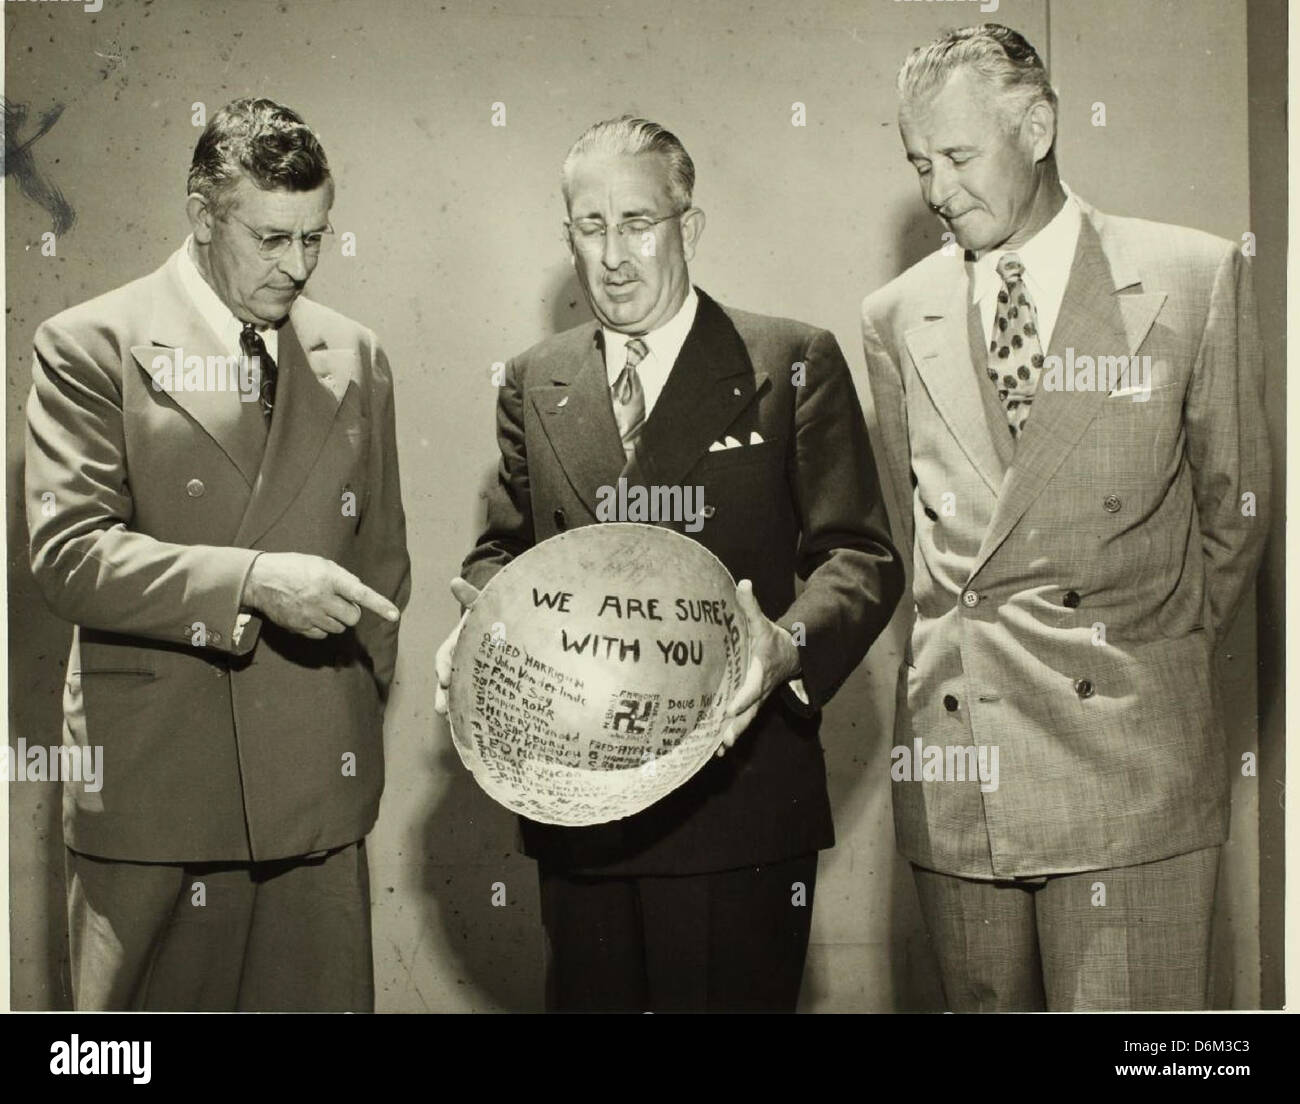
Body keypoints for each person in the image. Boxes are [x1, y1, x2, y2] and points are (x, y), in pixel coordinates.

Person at [435, 116, 902, 1013]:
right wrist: (482, 622)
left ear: (689, 227)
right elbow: (507, 547)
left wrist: (787, 646)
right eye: (590, 226)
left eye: (638, 223)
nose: (613, 255)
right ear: (567, 235)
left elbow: (859, 554)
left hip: (737, 804)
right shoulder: (535, 378)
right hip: (581, 806)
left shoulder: (790, 361)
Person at [861, 24, 1270, 1011]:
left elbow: (1237, 510)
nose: (936, 189)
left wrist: (1144, 655)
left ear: (1037, 127)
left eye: (958, 156)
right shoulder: (893, 314)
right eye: (919, 163)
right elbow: (912, 542)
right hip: (963, 771)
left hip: (1131, 765)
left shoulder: (1189, 277)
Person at [24, 97, 411, 1011]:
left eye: (316, 238)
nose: (299, 266)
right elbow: (69, 555)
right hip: (157, 799)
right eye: (272, 239)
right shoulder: (90, 345)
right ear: (203, 218)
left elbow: (383, 561)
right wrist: (251, 582)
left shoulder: (355, 354)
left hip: (313, 801)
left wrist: (347, 722)